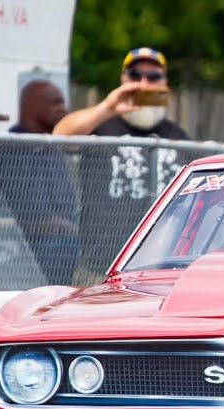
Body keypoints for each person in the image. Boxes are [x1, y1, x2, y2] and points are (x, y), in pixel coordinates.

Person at [53, 47, 191, 281]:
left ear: (165, 83)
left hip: (162, 271)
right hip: (101, 270)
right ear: (123, 81)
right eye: (135, 76)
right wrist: (106, 108)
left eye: (154, 77)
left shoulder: (179, 138)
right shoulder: (102, 127)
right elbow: (59, 138)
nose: (144, 84)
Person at [0, 80, 80, 285]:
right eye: (55, 103)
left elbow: (67, 207)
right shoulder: (14, 148)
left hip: (62, 245)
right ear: (33, 106)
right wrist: (81, 232)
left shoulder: (50, 146)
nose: (63, 109)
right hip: (27, 250)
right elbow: (35, 218)